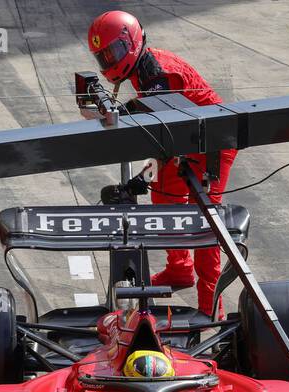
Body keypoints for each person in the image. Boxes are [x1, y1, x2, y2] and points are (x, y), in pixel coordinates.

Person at [87, 10, 236, 317]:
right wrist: (146, 175)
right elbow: (165, 132)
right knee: (164, 196)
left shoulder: (158, 72)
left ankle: (212, 305)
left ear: (131, 41)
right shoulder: (144, 70)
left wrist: (141, 176)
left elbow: (162, 131)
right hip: (184, 137)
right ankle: (179, 269)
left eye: (113, 52)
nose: (110, 62)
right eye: (103, 57)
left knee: (205, 222)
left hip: (213, 144)